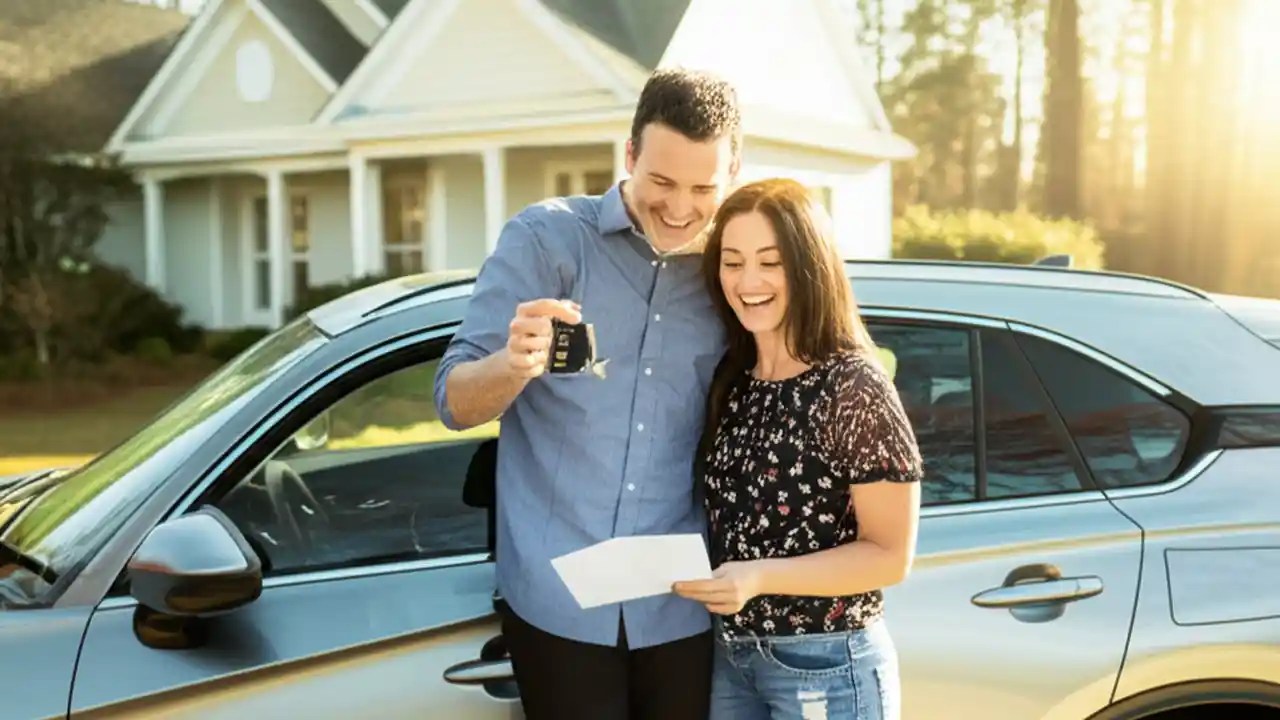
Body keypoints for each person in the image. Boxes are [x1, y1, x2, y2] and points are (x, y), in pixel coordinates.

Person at [433, 67, 743, 719]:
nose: (681, 208)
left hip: (682, 604)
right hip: (558, 605)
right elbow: (454, 403)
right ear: (628, 156)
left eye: (702, 188)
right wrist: (514, 365)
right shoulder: (545, 241)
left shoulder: (736, 274)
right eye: (661, 181)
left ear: (731, 179)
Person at [673, 178, 923, 720]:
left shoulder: (853, 387)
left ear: (809, 267)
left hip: (827, 665)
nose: (749, 281)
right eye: (732, 262)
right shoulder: (735, 379)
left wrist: (758, 576)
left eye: (771, 262)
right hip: (733, 657)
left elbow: (890, 554)